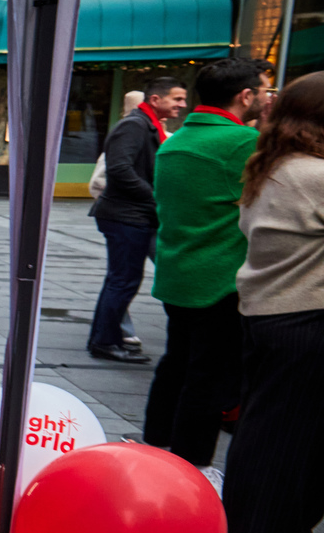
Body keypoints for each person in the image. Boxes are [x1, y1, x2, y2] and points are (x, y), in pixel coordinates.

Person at [218, 72, 324, 533]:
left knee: (263, 433)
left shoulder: (273, 166)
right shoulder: (314, 174)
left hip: (266, 314)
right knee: (290, 443)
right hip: (306, 319)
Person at [144, 57, 274, 471]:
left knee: (176, 363)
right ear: (246, 95)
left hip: (179, 273)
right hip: (219, 280)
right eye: (266, 90)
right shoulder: (241, 144)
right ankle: (190, 466)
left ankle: (154, 445)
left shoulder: (176, 141)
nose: (270, 98)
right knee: (208, 378)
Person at [87, 76, 188, 362]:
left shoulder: (146, 125)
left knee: (120, 280)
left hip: (131, 215)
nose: (182, 104)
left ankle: (105, 338)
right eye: (177, 98)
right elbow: (119, 169)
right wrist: (156, 198)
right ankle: (106, 341)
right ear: (155, 100)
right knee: (123, 281)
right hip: (126, 217)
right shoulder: (134, 125)